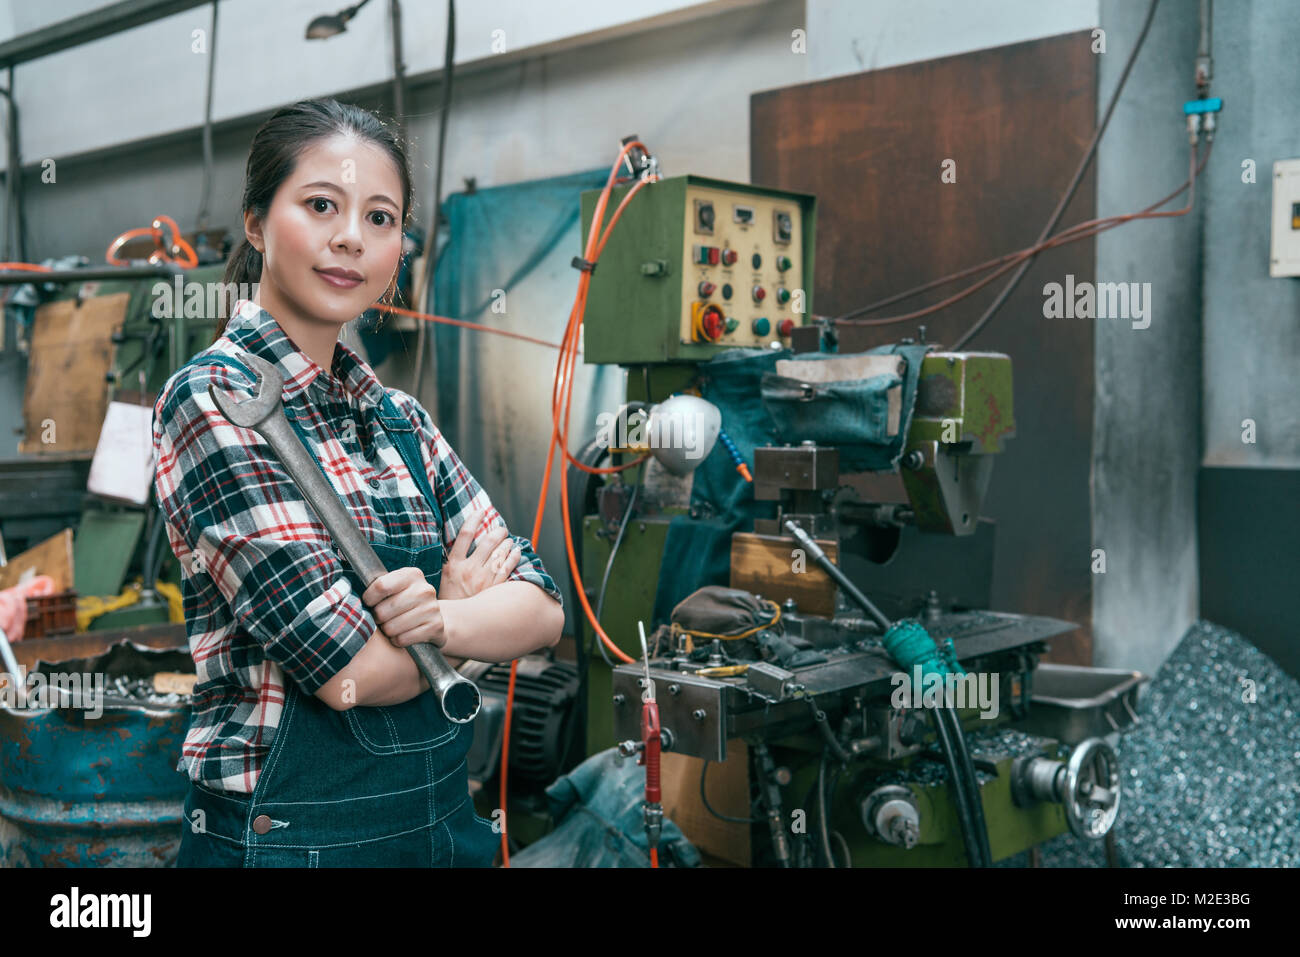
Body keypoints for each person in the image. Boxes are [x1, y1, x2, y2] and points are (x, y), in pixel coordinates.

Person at [151, 97, 565, 867]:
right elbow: (345, 671)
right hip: (290, 842)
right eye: (319, 205)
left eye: (381, 218)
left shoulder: (400, 417)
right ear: (254, 221)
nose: (351, 237)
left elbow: (542, 608)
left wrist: (437, 620)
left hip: (442, 826)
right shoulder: (208, 402)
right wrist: (470, 615)